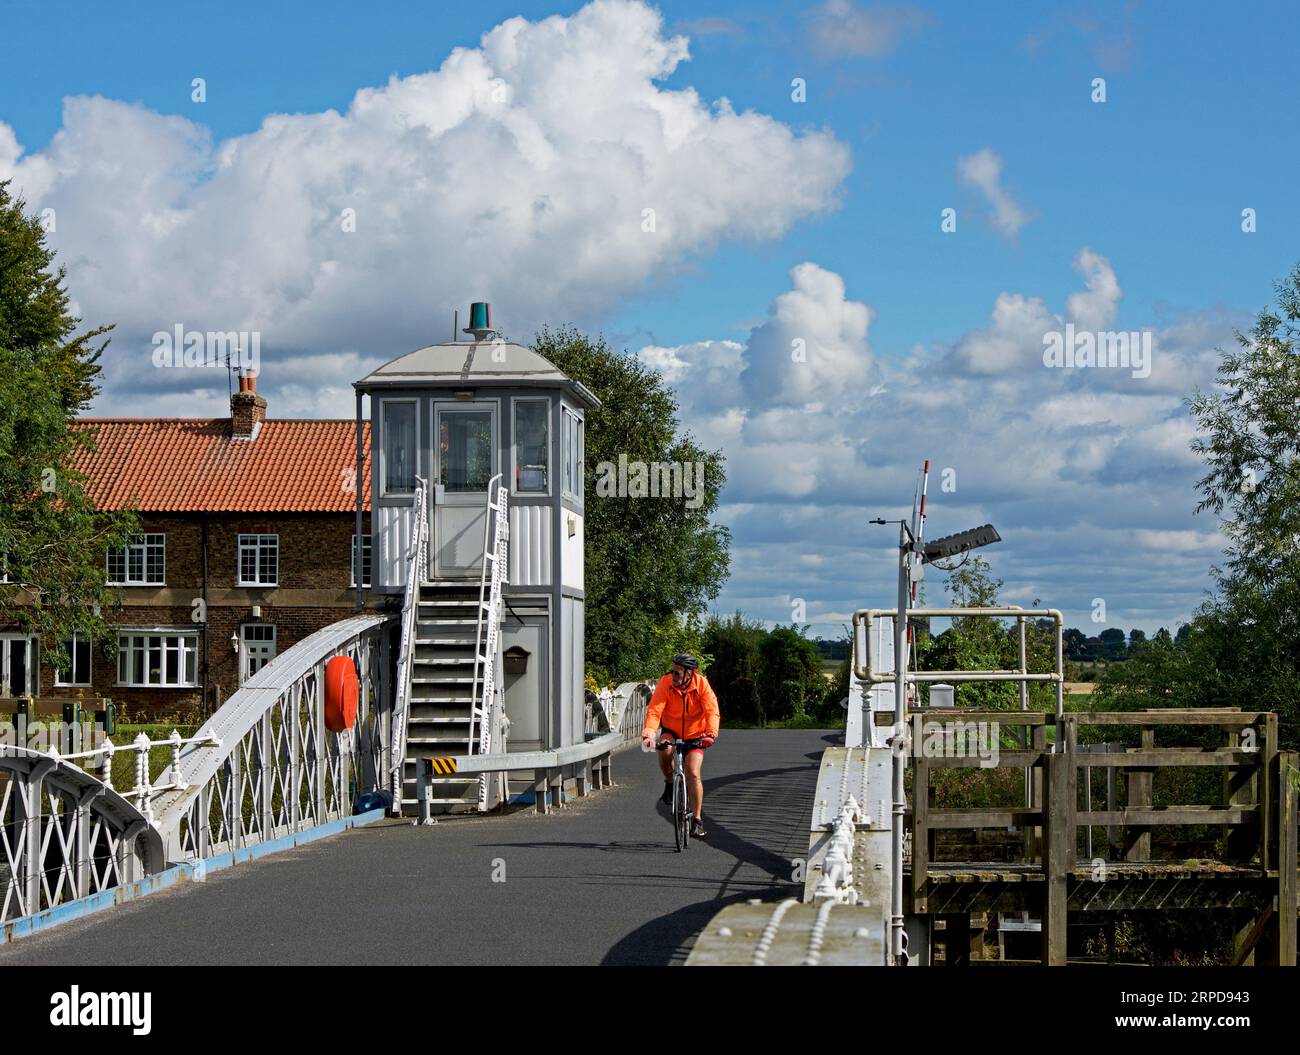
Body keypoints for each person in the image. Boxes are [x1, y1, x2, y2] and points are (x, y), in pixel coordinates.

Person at [640, 653, 720, 838]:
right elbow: (655, 709)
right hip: (671, 729)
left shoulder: (702, 685)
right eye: (672, 672)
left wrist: (710, 734)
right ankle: (669, 782)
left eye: (677, 673)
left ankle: (697, 820)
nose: (673, 676)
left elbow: (712, 711)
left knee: (692, 772)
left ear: (691, 673)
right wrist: (649, 733)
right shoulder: (666, 682)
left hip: (696, 734)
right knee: (665, 749)